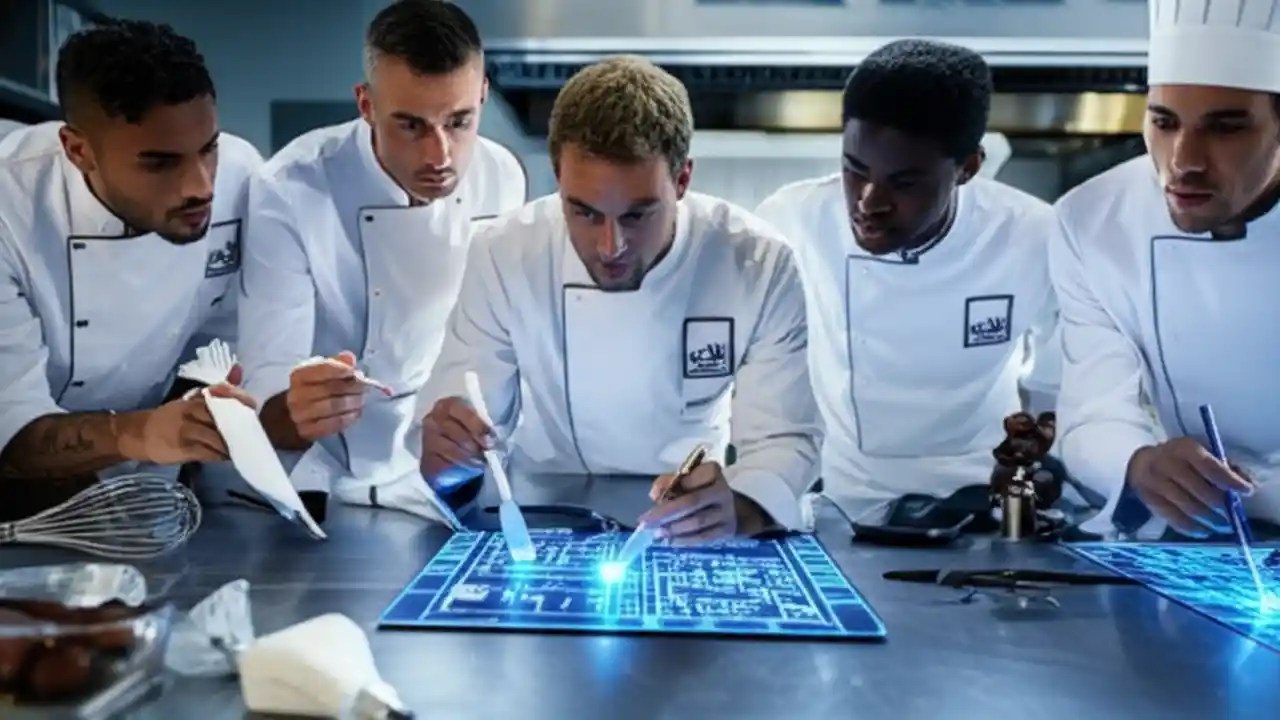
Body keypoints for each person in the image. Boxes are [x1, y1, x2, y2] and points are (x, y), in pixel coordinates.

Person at [417, 55, 822, 542]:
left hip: (689, 519)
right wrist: (448, 456)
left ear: (682, 180)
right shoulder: (504, 254)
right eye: (584, 213)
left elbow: (784, 440)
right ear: (557, 178)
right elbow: (463, 429)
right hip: (546, 515)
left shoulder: (757, 263)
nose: (611, 246)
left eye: (636, 216)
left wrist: (742, 507)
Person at [237, 0, 526, 522]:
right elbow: (267, 394)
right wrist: (298, 405)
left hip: (441, 463)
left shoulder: (501, 175)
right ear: (365, 104)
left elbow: (497, 334)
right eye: (411, 126)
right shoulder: (290, 189)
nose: (440, 156)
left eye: (460, 121)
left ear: (482, 94)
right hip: (322, 481)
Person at [754, 39, 1060, 509]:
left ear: (968, 168)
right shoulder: (791, 222)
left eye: (904, 183)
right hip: (839, 501)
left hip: (983, 501)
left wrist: (1042, 460)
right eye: (854, 170)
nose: (869, 203)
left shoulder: (1033, 236)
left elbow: (1057, 385)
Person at [0, 20, 260, 519]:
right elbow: (12, 435)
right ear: (78, 151)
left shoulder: (242, 179)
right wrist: (142, 433)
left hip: (150, 496)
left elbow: (218, 341)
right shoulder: (12, 209)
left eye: (208, 148)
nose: (200, 186)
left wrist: (201, 413)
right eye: (160, 163)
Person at [1053, 0, 1280, 538]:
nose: (1184, 161)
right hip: (1197, 533)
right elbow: (1091, 411)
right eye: (1164, 122)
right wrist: (1139, 463)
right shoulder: (1094, 221)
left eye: (1225, 129)